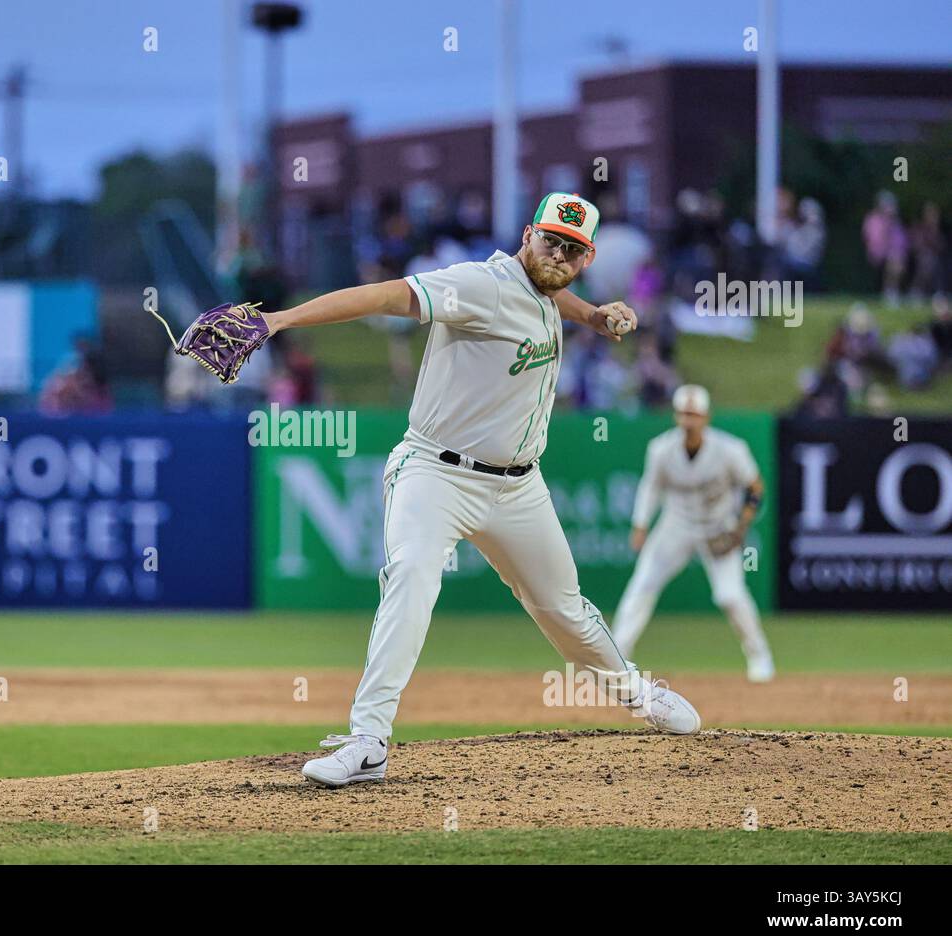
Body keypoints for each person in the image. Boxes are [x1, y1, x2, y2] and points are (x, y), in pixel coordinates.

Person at [247, 192, 702, 788]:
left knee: (564, 611)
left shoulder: (544, 289)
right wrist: (279, 321)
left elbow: (548, 292)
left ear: (586, 259)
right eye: (549, 240)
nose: (557, 254)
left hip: (519, 487)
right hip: (437, 472)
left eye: (572, 249)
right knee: (411, 577)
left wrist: (590, 315)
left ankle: (639, 694)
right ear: (526, 236)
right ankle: (368, 741)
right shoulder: (478, 285)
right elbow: (389, 296)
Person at [613, 385, 775, 683]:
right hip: (676, 525)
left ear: (706, 417)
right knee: (643, 584)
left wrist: (741, 527)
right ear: (676, 417)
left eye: (694, 414)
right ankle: (616, 659)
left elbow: (755, 488)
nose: (689, 421)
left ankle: (760, 656)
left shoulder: (730, 449)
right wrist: (640, 524)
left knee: (730, 595)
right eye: (684, 414)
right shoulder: (661, 449)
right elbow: (651, 487)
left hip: (718, 526)